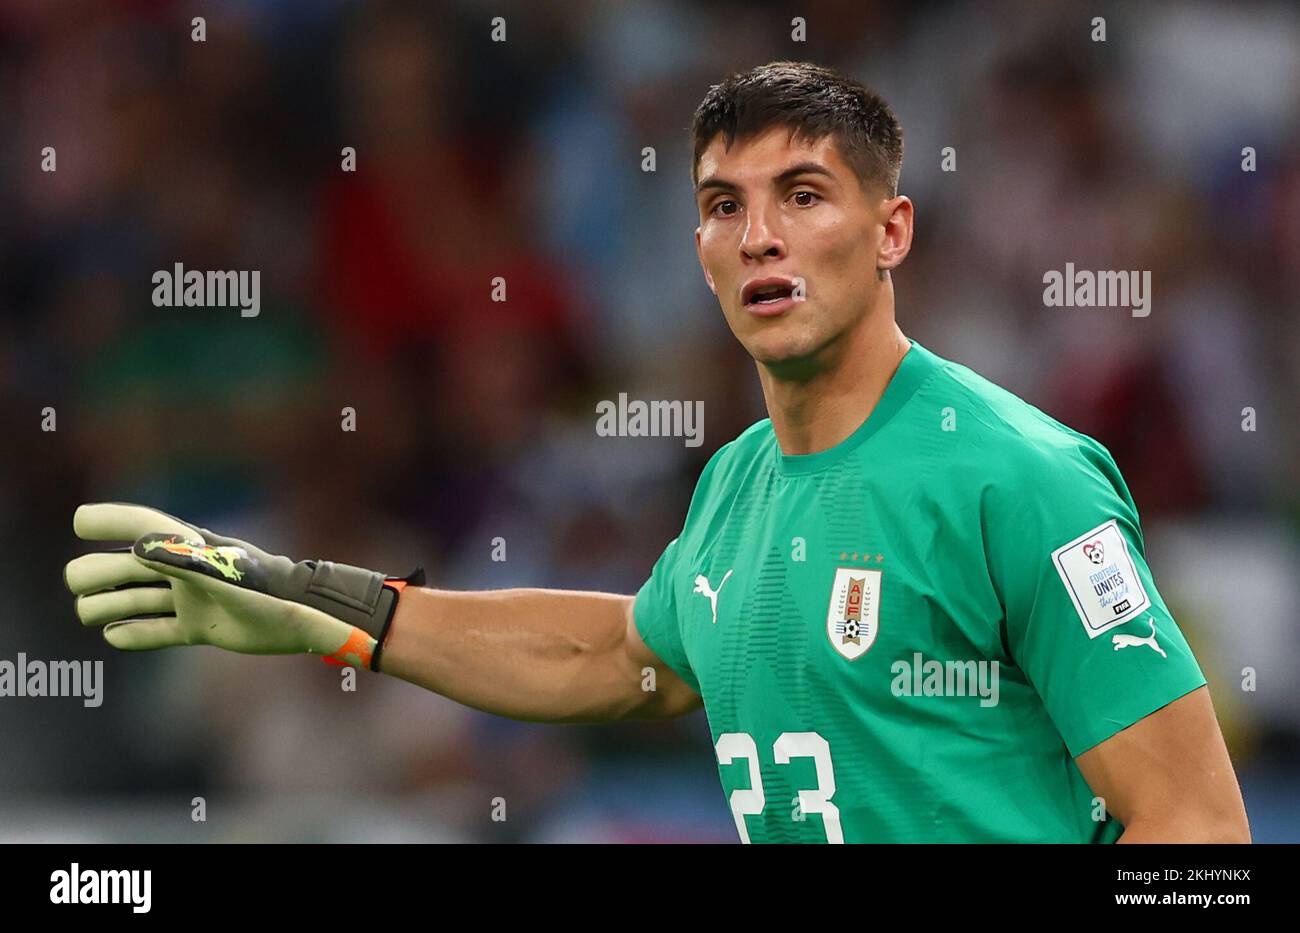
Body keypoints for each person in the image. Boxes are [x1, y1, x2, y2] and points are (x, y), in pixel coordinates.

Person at [66, 61, 1249, 844]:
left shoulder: (1021, 477)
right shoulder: (734, 483)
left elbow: (1195, 839)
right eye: (724, 205)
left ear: (890, 230)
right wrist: (332, 610)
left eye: (802, 195)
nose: (760, 236)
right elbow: (621, 655)